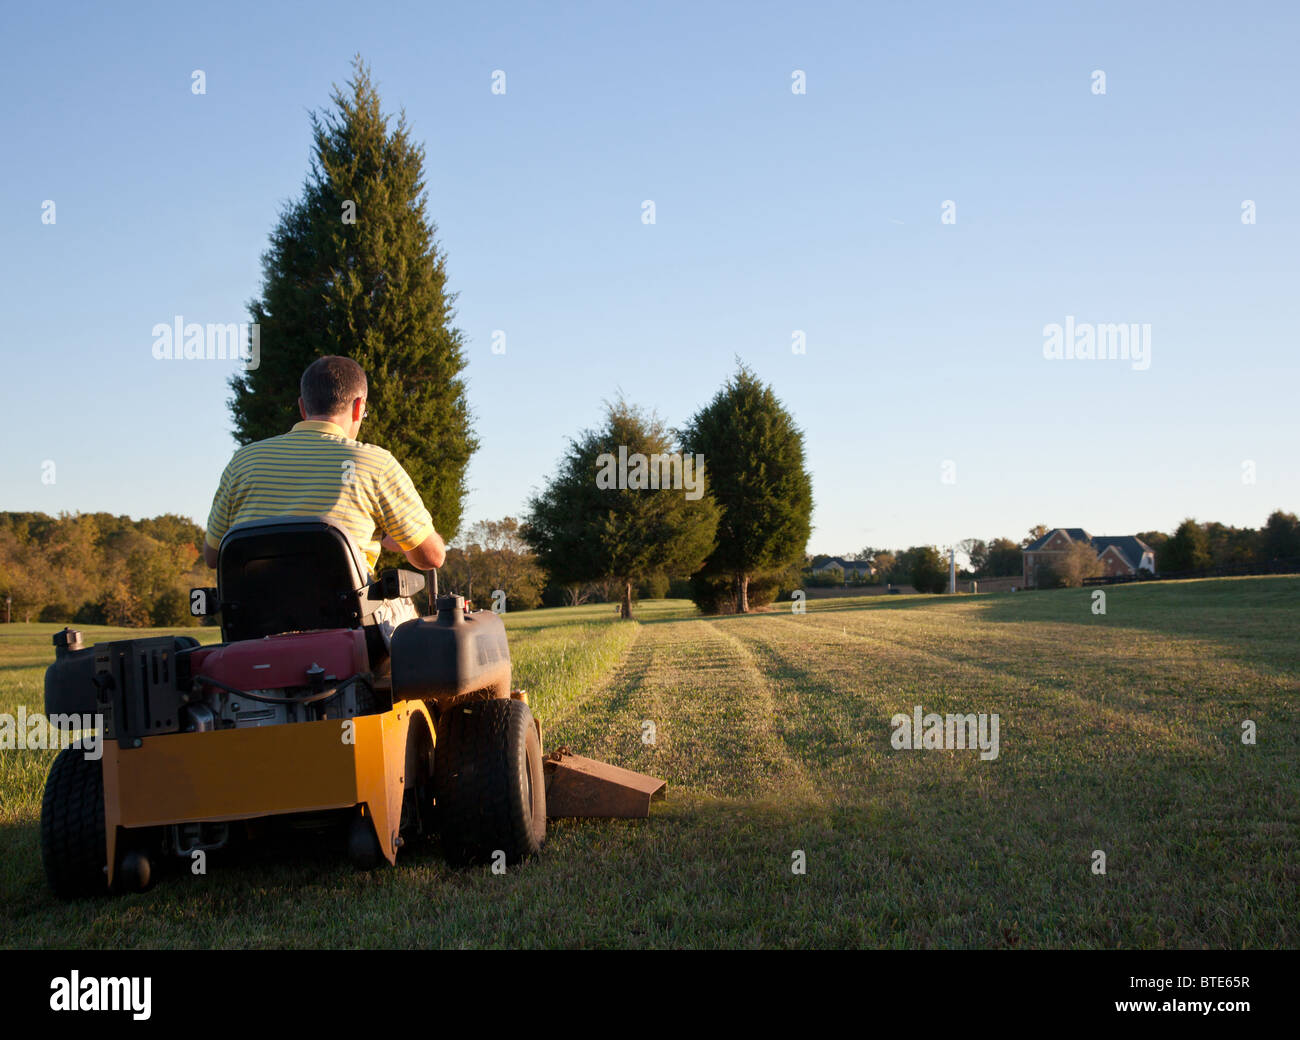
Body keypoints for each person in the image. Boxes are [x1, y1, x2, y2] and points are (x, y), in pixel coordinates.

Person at [204, 355, 446, 640]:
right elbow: (432, 557)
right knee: (403, 607)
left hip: (255, 628)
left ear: (303, 408)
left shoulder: (242, 462)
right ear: (359, 407)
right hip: (348, 628)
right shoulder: (375, 464)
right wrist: (401, 542)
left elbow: (213, 555)